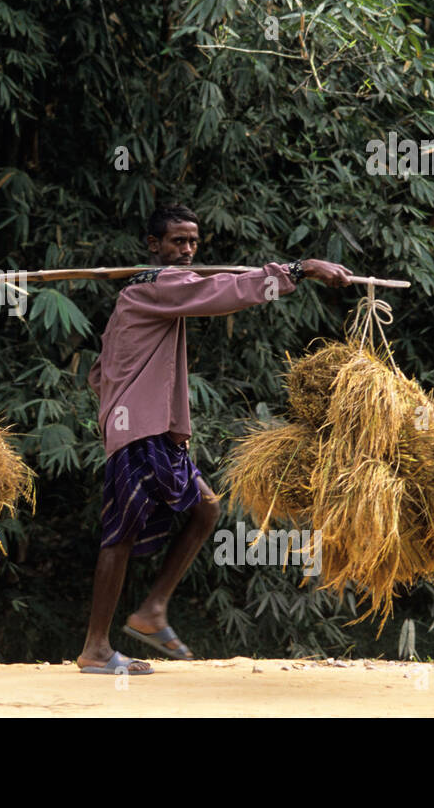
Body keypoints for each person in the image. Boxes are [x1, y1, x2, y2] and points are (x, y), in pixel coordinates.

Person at [78, 203, 352, 674]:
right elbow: (225, 290)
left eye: (192, 242)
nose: (187, 250)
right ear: (153, 246)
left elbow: (99, 371)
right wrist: (299, 269)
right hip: (138, 427)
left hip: (150, 426)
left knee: (206, 507)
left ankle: (151, 610)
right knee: (119, 533)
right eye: (177, 241)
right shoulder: (161, 285)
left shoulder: (141, 292)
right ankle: (96, 648)